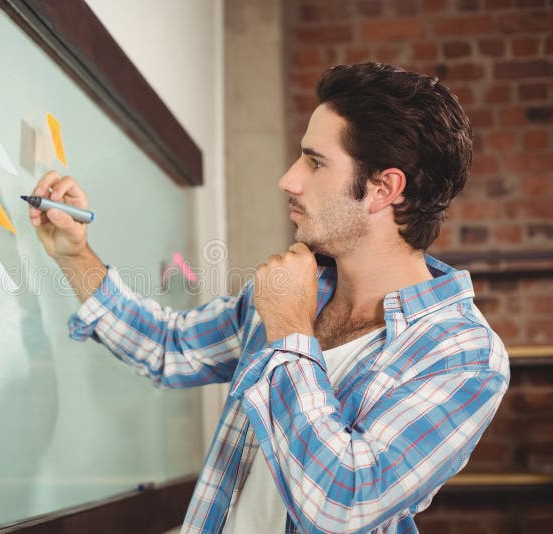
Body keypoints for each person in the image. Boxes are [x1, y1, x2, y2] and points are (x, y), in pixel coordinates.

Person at [26, 62, 509, 534]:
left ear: (384, 188)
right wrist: (76, 254)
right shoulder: (299, 290)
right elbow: (168, 346)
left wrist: (289, 332)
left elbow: (344, 503)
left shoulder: (462, 354)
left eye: (316, 162)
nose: (288, 179)